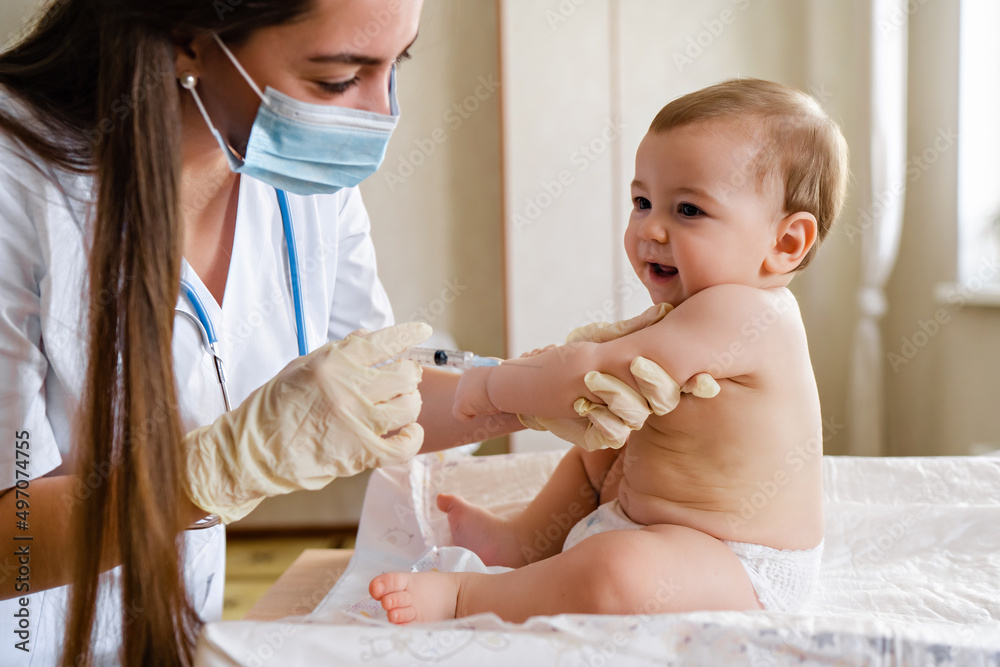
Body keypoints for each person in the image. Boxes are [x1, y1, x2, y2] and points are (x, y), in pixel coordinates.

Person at [0, 1, 693, 664]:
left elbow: (374, 395)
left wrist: (526, 391)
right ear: (189, 34)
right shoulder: (16, 188)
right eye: (337, 78)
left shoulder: (294, 165)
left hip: (172, 632)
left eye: (397, 65)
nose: (378, 114)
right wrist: (208, 474)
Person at [369, 78, 849, 624]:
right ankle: (523, 543)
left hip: (736, 562)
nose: (652, 228)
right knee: (600, 446)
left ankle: (470, 597)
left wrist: (494, 384)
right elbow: (596, 389)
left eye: (688, 210)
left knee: (617, 571)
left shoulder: (751, 314)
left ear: (785, 242)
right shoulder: (689, 312)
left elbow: (589, 376)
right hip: (650, 523)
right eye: (642, 202)